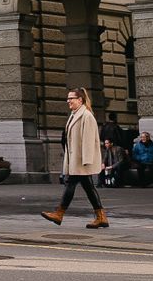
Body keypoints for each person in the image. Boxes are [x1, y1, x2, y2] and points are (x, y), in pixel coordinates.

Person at [40, 87, 107, 228]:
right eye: (68, 98)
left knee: (71, 184)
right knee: (88, 188)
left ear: (80, 100)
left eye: (71, 98)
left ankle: (59, 214)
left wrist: (86, 160)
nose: (68, 100)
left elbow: (89, 140)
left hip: (81, 159)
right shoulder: (74, 114)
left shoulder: (86, 116)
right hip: (75, 158)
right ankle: (101, 217)